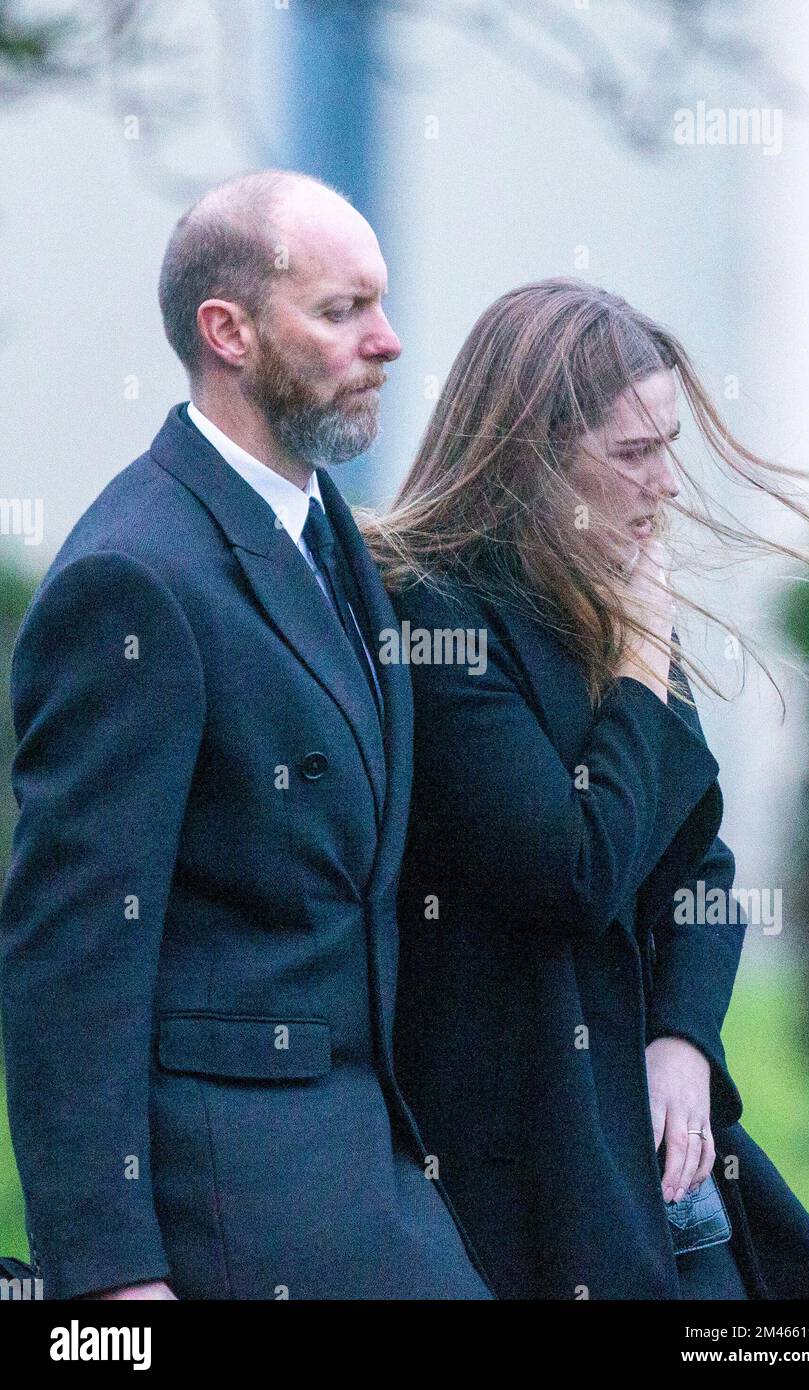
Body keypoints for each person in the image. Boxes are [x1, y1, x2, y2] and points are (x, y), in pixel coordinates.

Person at [0, 170, 494, 1301]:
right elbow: (71, 955)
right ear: (227, 331)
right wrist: (110, 1278)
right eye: (340, 311)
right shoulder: (134, 578)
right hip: (231, 1205)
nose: (388, 342)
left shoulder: (325, 529)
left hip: (366, 1169)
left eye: (379, 303)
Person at [359, 277, 809, 1300]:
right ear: (528, 460)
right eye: (632, 454)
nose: (664, 484)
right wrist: (638, 658)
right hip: (522, 1154)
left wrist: (682, 1036)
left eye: (666, 444)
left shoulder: (607, 598)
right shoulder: (433, 614)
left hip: (660, 1150)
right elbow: (571, 869)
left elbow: (699, 860)